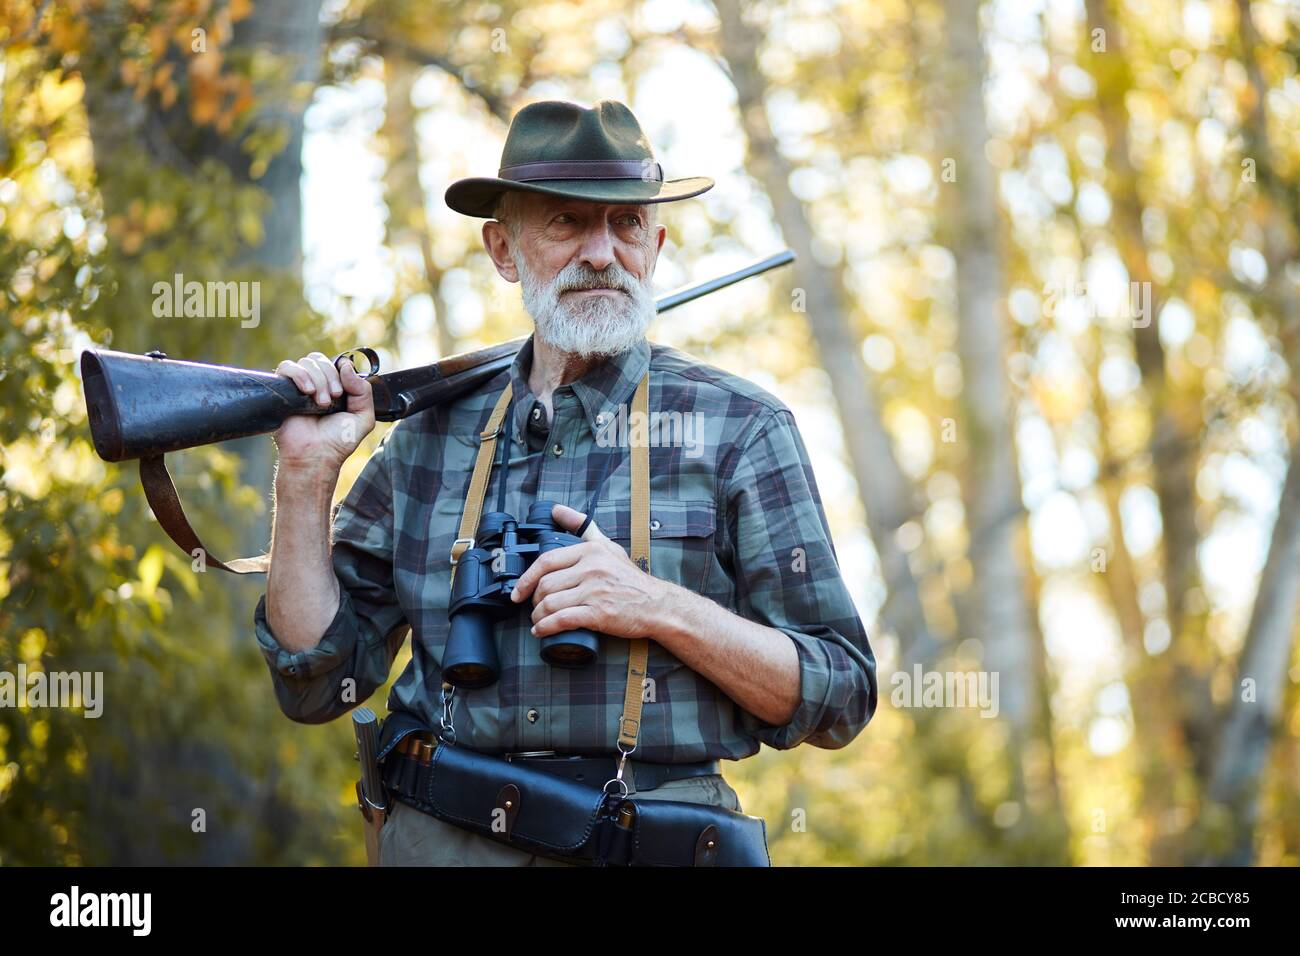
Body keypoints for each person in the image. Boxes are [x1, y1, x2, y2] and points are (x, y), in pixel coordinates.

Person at [255, 99, 877, 865]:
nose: (602, 253)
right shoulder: (426, 440)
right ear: (504, 249)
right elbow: (317, 685)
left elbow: (840, 695)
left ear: (657, 244)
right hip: (439, 839)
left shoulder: (741, 428)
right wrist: (307, 475)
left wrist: (654, 605)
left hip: (650, 846)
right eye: (567, 223)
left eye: (626, 226)